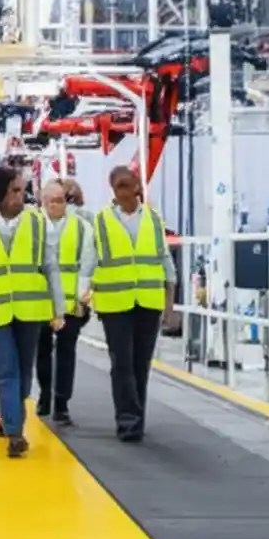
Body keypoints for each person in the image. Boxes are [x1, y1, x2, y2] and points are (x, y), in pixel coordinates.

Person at [0, 167, 65, 458]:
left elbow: (50, 267)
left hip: (30, 310)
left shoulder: (37, 222)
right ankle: (14, 432)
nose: (22, 196)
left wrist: (58, 310)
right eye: (14, 191)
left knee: (23, 371)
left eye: (22, 190)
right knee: (6, 370)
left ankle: (11, 417)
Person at [91, 165, 175, 442]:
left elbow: (166, 262)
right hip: (115, 304)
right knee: (122, 363)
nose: (126, 192)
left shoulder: (153, 219)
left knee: (141, 363)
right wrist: (80, 295)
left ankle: (137, 416)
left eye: (129, 185)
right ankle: (128, 421)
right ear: (113, 191)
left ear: (138, 186)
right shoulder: (101, 221)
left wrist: (170, 305)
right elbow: (88, 261)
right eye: (120, 187)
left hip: (148, 301)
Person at [34, 179, 96, 425]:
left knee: (66, 352)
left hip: (71, 304)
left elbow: (87, 262)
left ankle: (61, 402)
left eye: (61, 200)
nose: (57, 206)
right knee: (42, 351)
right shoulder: (33, 226)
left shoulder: (81, 227)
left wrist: (82, 295)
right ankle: (45, 395)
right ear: (43, 202)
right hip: (41, 303)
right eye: (52, 201)